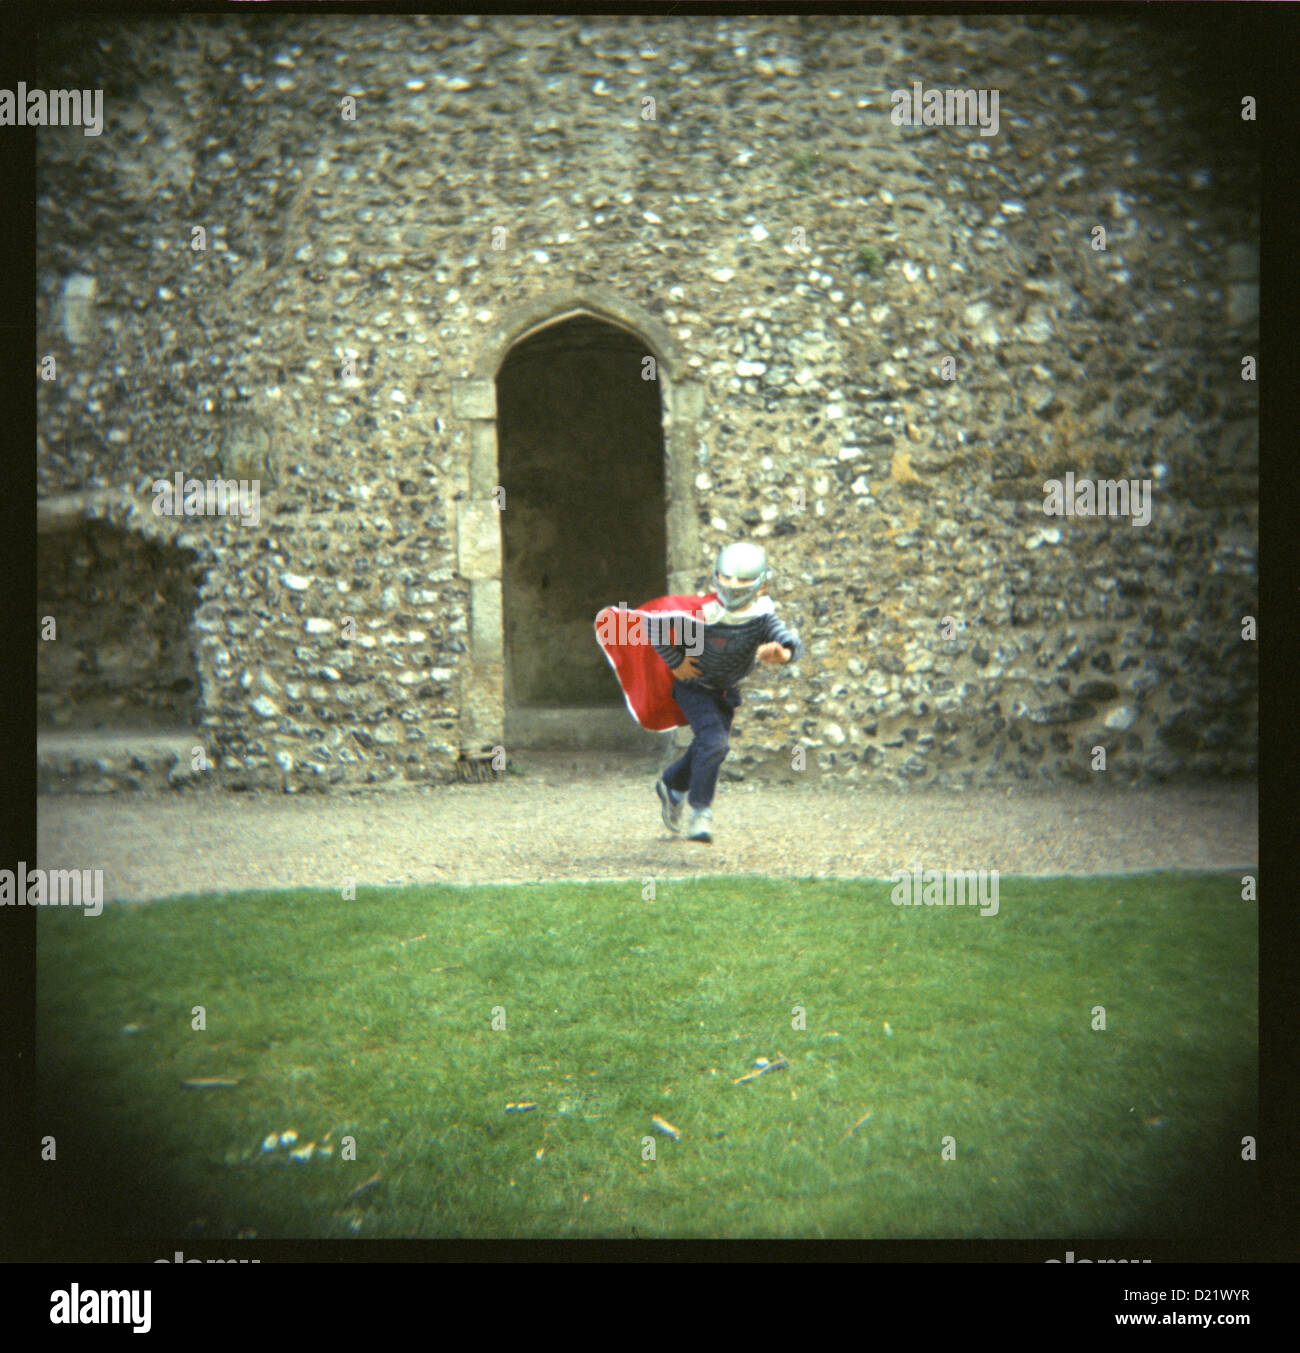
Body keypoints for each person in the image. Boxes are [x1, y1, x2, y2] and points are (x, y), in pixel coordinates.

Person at [650, 542, 803, 844]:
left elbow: (786, 639)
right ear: (716, 576)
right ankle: (700, 812)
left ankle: (672, 785)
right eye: (728, 577)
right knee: (715, 743)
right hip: (694, 688)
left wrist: (783, 654)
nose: (734, 586)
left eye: (744, 580)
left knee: (707, 746)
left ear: (761, 585)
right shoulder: (703, 614)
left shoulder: (762, 617)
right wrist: (676, 661)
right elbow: (654, 627)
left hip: (724, 692)